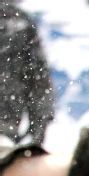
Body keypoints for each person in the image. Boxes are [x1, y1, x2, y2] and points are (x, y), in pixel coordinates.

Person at [0, 0, 54, 144]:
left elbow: (39, 79)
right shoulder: (19, 22)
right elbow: (39, 81)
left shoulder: (20, 23)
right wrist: (39, 123)